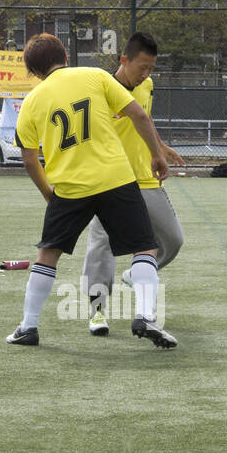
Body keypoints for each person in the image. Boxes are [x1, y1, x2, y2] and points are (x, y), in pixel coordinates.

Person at [6, 32, 176, 348]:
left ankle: (28, 327)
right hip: (116, 177)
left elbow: (29, 159)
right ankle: (144, 316)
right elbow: (138, 114)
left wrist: (48, 194)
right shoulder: (95, 76)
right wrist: (156, 153)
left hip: (70, 187)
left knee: (48, 254)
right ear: (66, 58)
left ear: (34, 72)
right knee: (145, 247)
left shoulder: (30, 102)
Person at [81, 32, 186, 336]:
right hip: (110, 182)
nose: (146, 75)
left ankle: (134, 274)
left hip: (144, 179)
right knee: (101, 246)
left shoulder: (147, 86)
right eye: (142, 67)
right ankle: (97, 311)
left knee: (173, 240)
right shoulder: (100, 92)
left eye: (151, 68)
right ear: (124, 60)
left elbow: (144, 118)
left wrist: (160, 147)